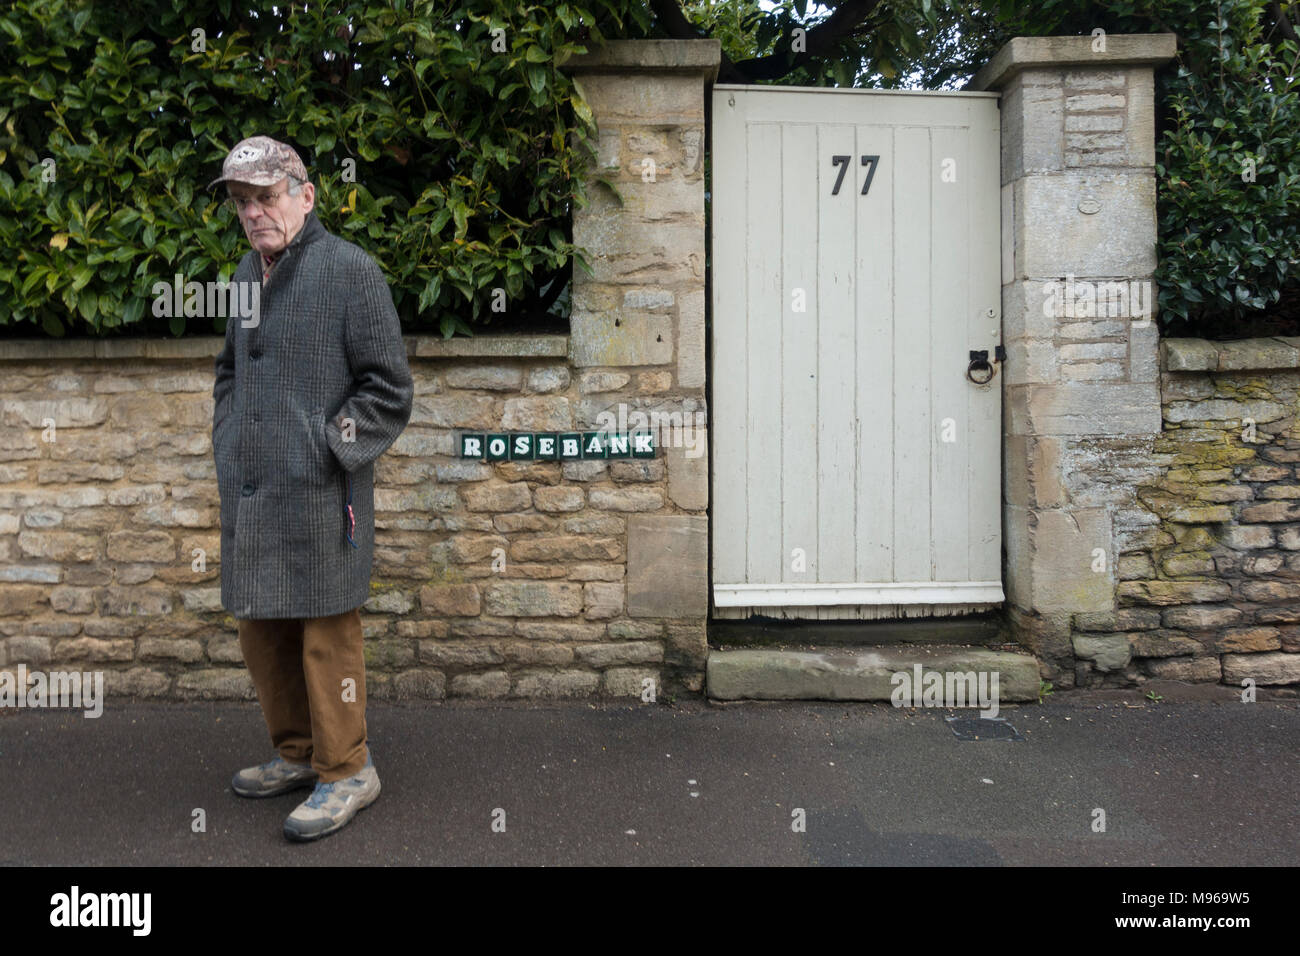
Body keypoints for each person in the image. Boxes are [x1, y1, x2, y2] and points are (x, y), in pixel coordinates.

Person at [208, 135, 413, 841]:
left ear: (305, 195)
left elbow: (388, 390)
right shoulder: (243, 275)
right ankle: (298, 755)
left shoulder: (350, 272)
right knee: (261, 627)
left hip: (325, 490)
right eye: (242, 201)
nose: (254, 212)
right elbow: (230, 373)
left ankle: (348, 769)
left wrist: (331, 449)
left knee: (326, 631)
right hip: (254, 488)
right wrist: (229, 442)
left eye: (266, 196)